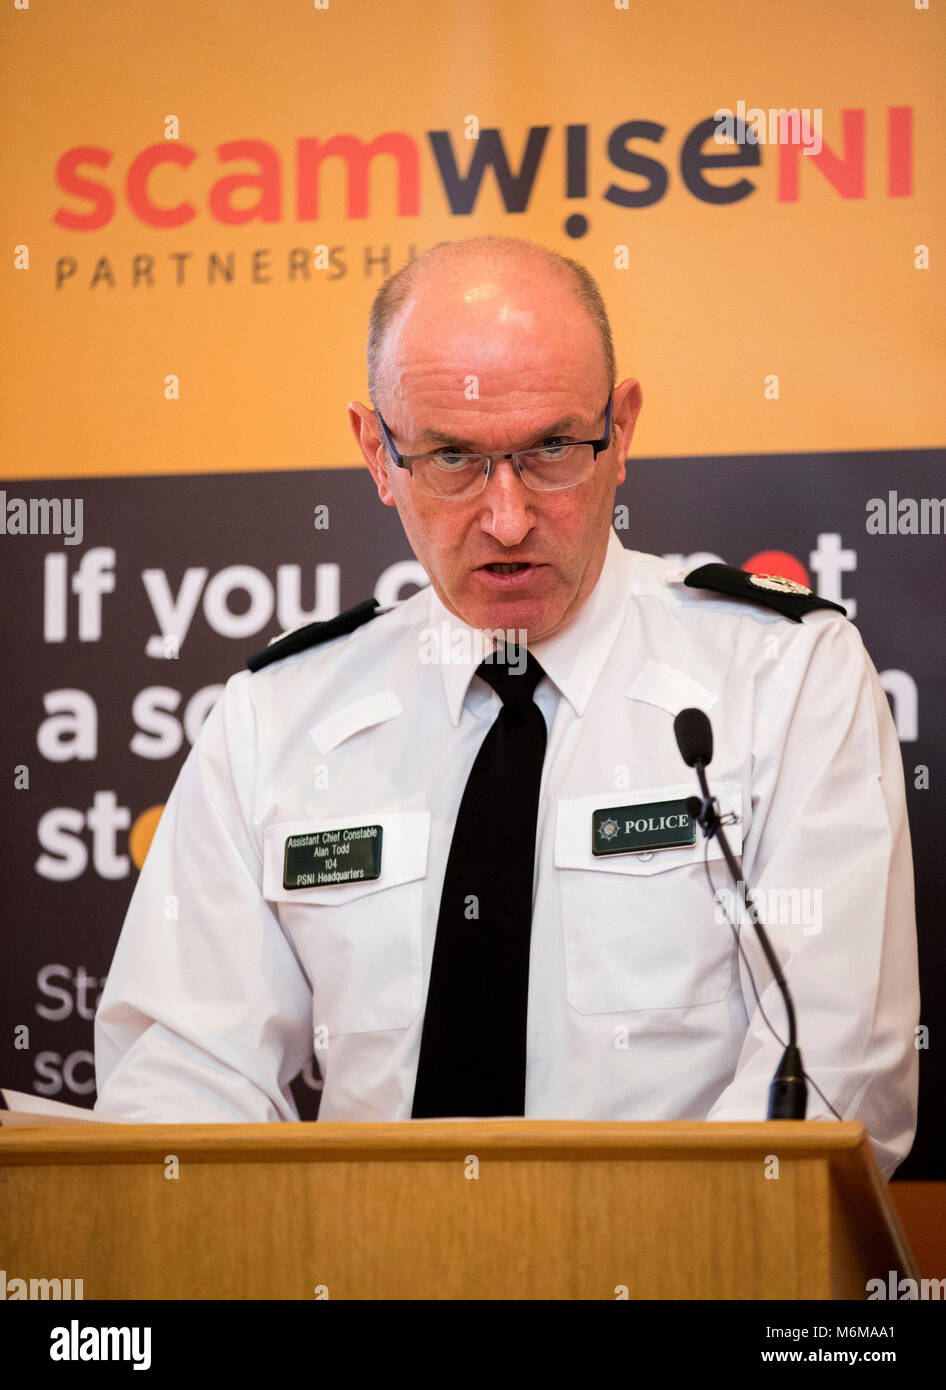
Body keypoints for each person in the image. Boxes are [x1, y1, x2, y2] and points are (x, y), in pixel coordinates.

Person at [94, 235, 919, 1178]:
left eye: (553, 451)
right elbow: (183, 1075)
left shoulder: (785, 675)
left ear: (624, 431)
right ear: (376, 453)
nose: (508, 518)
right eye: (450, 457)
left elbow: (826, 1077)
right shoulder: (275, 716)